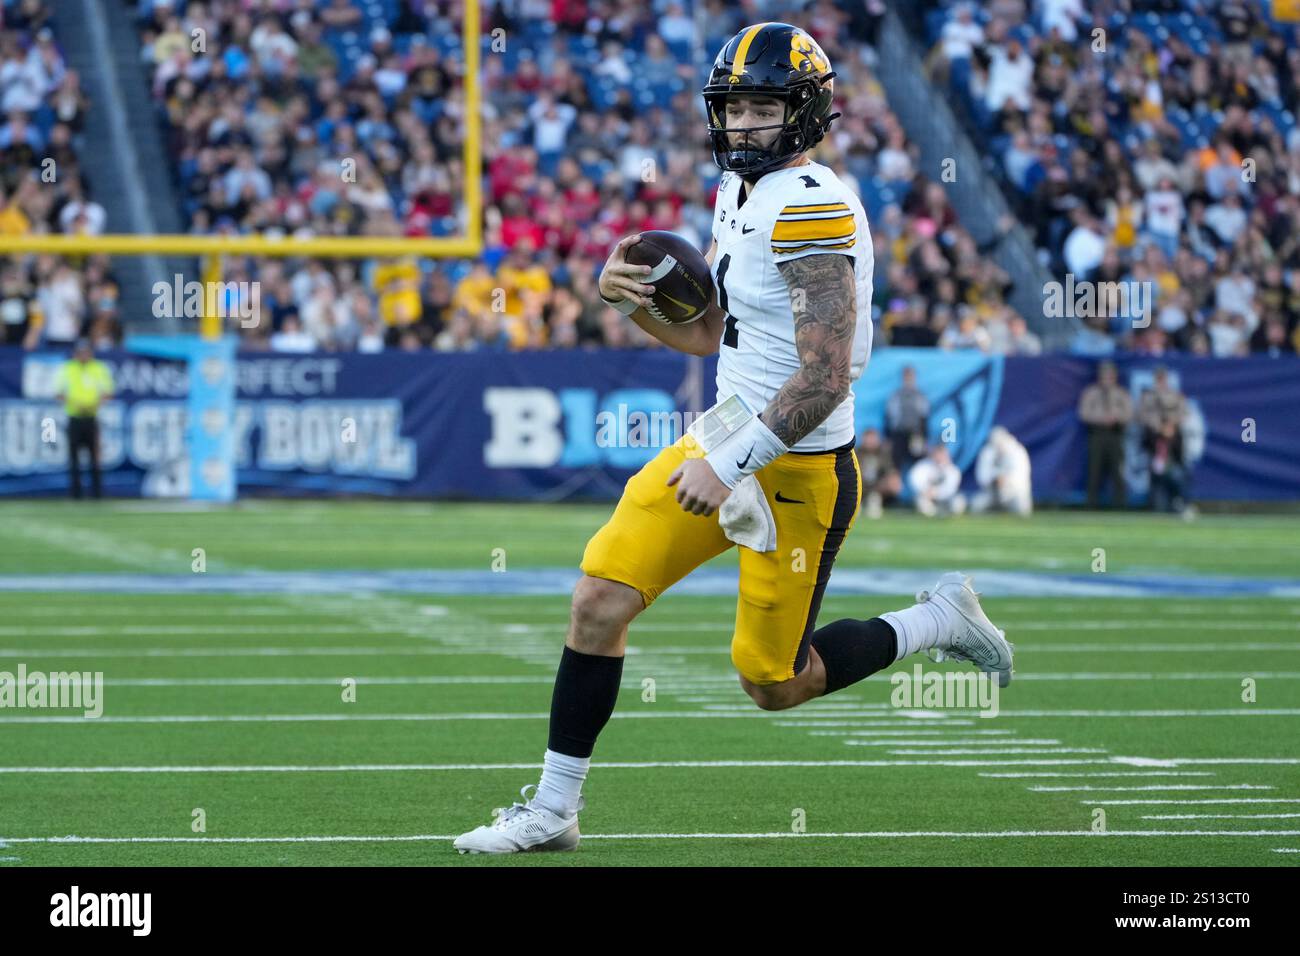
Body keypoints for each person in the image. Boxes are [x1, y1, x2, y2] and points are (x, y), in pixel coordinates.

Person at [454, 23, 1013, 855]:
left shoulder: (811, 206)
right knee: (598, 598)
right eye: (735, 107)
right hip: (723, 442)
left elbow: (825, 377)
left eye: (763, 108)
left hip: (796, 469)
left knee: (775, 684)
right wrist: (634, 305)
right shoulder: (740, 192)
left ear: (807, 111)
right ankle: (553, 809)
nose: (744, 125)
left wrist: (733, 464)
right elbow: (725, 337)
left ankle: (936, 619)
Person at [54, 338, 113, 499]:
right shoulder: (67, 368)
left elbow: (108, 392)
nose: (83, 355)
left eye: (86, 352)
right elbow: (58, 393)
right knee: (74, 458)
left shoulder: (98, 368)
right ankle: (76, 493)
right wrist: (76, 403)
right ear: (75, 353)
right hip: (74, 417)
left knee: (95, 457)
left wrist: (93, 405)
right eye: (80, 352)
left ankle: (97, 493)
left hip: (91, 417)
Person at [1077, 359, 1132, 508]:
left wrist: (1116, 418)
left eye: (1110, 375)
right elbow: (1084, 413)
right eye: (1104, 375)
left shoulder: (1121, 393)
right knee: (1094, 468)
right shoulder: (1091, 392)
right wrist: (1101, 418)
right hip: (1097, 433)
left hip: (1115, 433)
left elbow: (1129, 413)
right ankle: (1091, 503)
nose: (1107, 378)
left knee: (1117, 469)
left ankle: (1120, 503)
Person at [1138, 365, 1190, 513]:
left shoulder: (1175, 395)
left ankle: (1178, 502)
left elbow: (1184, 413)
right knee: (1156, 473)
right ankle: (1156, 505)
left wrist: (1171, 425)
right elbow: (1142, 415)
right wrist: (1159, 427)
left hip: (1173, 442)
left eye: (1163, 378)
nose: (1161, 381)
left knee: (1177, 472)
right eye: (1158, 378)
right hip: (1155, 440)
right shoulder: (1148, 396)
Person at [971, 426, 1032, 515]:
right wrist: (995, 479)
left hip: (1013, 494)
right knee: (977, 505)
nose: (999, 446)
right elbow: (982, 476)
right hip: (992, 493)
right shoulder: (987, 452)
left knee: (1021, 508)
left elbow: (1020, 477)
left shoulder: (1017, 452)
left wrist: (1005, 480)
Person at [885, 364, 930, 477]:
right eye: (906, 376)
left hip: (915, 434)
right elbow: (889, 417)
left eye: (911, 376)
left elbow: (924, 418)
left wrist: (924, 437)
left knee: (919, 460)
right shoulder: (895, 396)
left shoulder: (920, 396)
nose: (909, 379)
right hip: (899, 434)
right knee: (894, 462)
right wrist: (888, 438)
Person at [908, 443, 966, 517]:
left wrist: (937, 493)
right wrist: (925, 491)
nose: (939, 457)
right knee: (922, 503)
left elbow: (951, 488)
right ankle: (932, 515)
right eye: (937, 454)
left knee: (959, 502)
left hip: (945, 499)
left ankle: (946, 513)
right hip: (927, 497)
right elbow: (914, 480)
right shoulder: (924, 465)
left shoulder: (952, 470)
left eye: (942, 454)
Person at [855, 426, 899, 518]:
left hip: (876, 487)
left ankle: (874, 500)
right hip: (859, 487)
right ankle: (857, 503)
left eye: (873, 438)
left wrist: (893, 479)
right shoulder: (856, 452)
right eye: (868, 438)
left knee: (893, 481)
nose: (870, 441)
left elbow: (890, 470)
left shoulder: (883, 453)